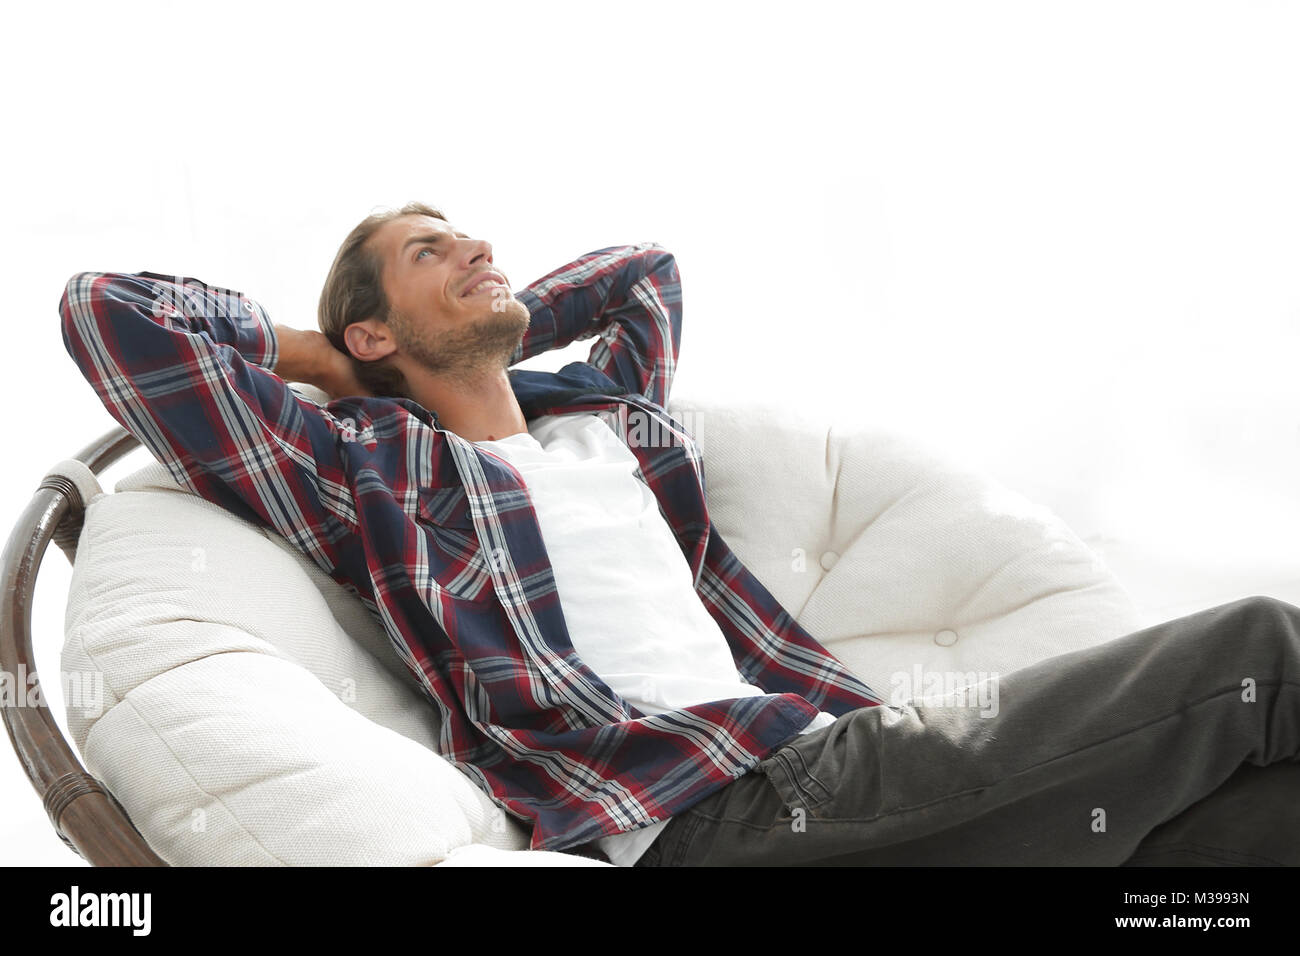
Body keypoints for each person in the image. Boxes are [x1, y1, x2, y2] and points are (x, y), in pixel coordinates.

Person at [59, 202, 1300, 867]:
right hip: (725, 811)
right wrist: (338, 359)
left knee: (1260, 828)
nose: (481, 247)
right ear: (373, 334)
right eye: (430, 250)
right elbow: (110, 313)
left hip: (854, 771)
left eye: (474, 235)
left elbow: (647, 267)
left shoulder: (617, 422)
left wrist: (478, 307)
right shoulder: (365, 467)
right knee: (1265, 649)